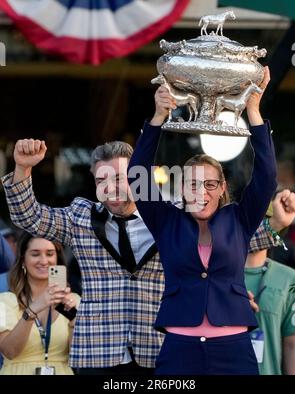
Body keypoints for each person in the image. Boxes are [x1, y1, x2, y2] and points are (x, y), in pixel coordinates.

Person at [128, 67, 277, 375]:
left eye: (210, 184)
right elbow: (137, 176)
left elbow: (266, 178)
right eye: (193, 184)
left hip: (233, 348)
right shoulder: (167, 221)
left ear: (222, 187)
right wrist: (157, 118)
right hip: (180, 349)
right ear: (182, 187)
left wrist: (254, 112)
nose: (201, 192)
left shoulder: (239, 219)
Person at [1, 140, 164, 375]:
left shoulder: (167, 217)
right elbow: (29, 217)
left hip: (157, 348)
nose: (110, 187)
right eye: (101, 180)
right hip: (99, 354)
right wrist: (23, 168)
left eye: (119, 178)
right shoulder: (81, 217)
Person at [0, 232, 78, 375]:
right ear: (23, 260)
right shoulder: (4, 301)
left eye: (50, 254)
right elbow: (9, 351)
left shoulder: (74, 301)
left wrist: (73, 317)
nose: (43, 261)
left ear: (57, 259)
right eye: (35, 254)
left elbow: (79, 358)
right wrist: (32, 310)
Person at [245, 190, 295, 375]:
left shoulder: (291, 278)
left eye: (267, 221)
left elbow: (293, 343)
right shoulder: (214, 274)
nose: (259, 227)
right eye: (251, 220)